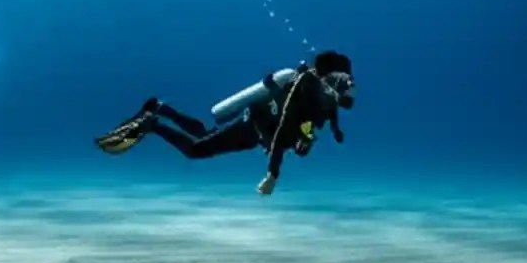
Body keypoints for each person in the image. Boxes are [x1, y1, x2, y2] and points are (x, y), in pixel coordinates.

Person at [95, 50, 355, 196]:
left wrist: (327, 132)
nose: (342, 90)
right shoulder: (301, 95)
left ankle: (161, 109)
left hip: (252, 131)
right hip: (249, 129)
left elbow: (309, 126)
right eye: (338, 82)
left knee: (207, 135)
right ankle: (151, 124)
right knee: (195, 151)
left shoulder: (322, 101)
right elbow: (284, 130)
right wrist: (272, 175)